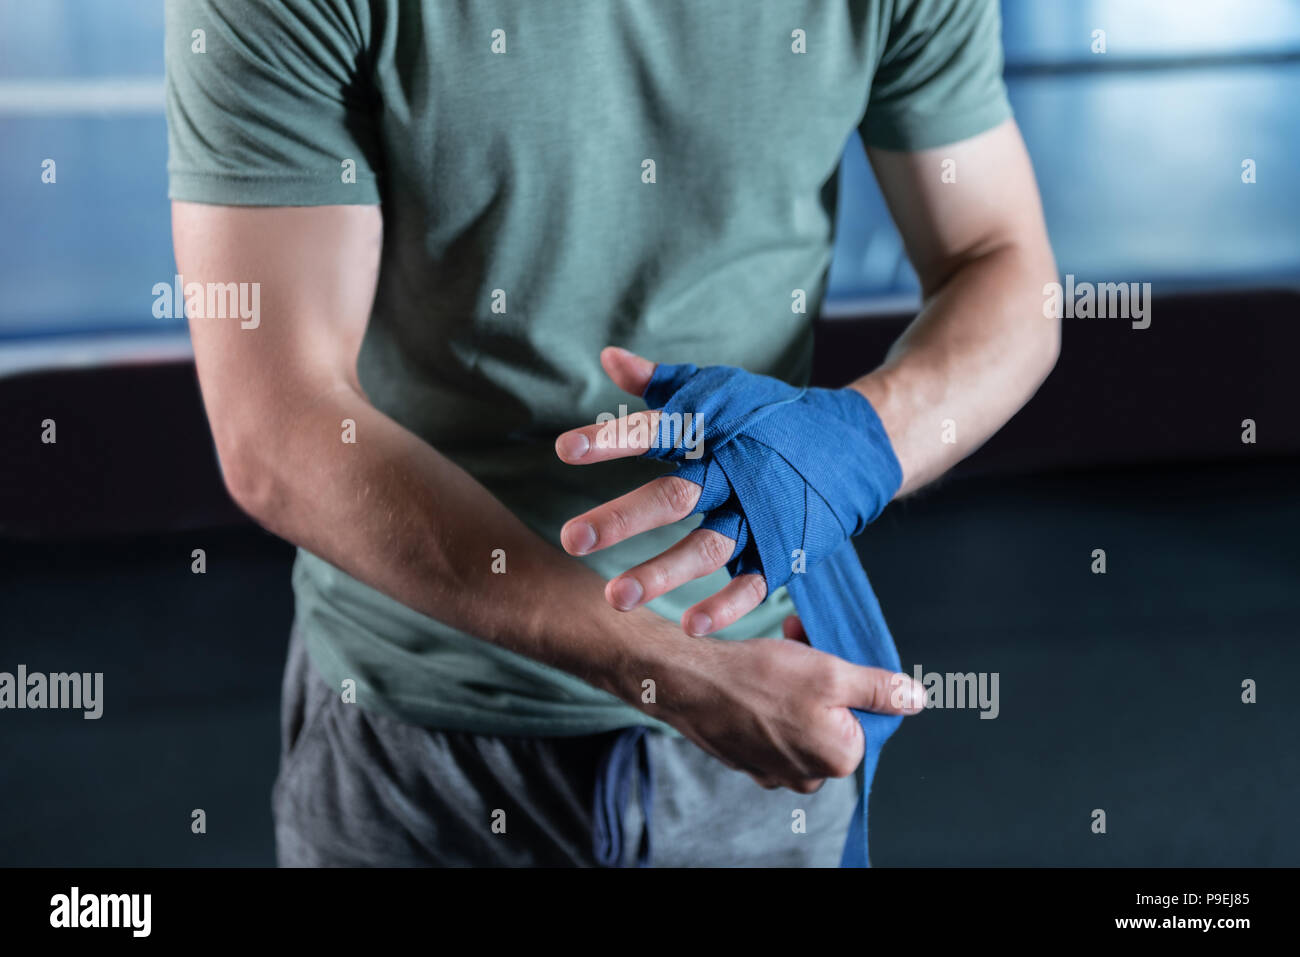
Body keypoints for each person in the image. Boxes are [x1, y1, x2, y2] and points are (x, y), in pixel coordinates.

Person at [165, 0, 1058, 866]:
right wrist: (663, 667)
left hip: (768, 698)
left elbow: (1003, 264)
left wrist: (858, 443)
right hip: (425, 734)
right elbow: (275, 424)